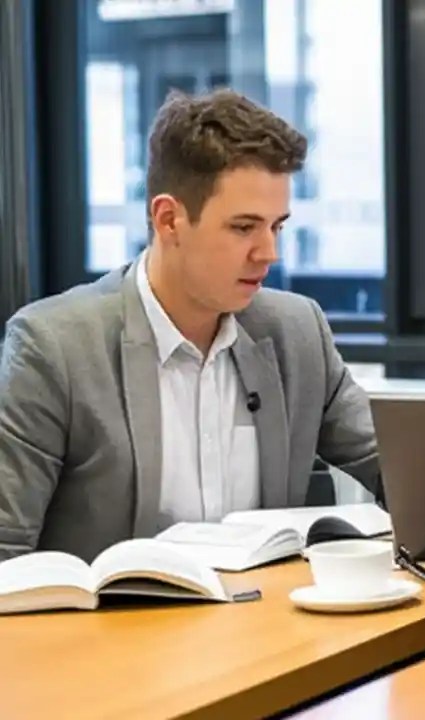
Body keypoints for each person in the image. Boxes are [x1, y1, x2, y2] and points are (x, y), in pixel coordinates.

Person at [0, 88, 382, 562]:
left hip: (269, 627)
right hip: (112, 629)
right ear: (168, 220)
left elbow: (400, 469)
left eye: (276, 226)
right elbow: (5, 551)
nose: (269, 253)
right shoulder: (53, 348)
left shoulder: (296, 332)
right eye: (243, 228)